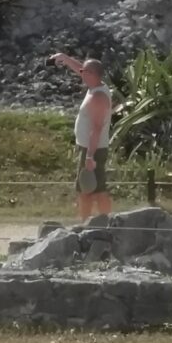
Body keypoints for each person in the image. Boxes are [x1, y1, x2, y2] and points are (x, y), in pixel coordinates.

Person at [50, 53, 113, 221]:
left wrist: (90, 156)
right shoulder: (96, 87)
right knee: (96, 188)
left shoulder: (98, 97)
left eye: (84, 71)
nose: (81, 73)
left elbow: (97, 128)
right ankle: (102, 221)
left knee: (89, 190)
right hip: (91, 148)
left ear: (92, 74)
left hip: (94, 149)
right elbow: (81, 69)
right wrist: (65, 58)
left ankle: (87, 223)